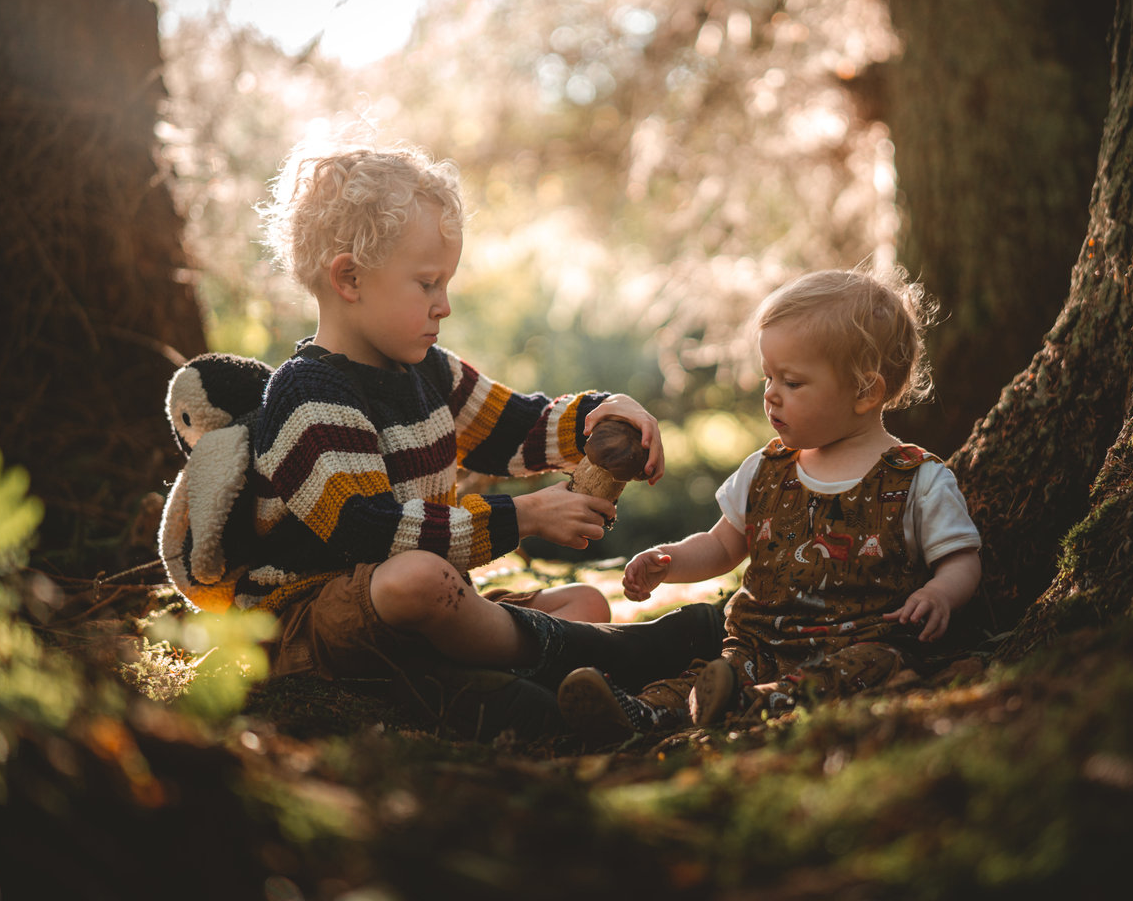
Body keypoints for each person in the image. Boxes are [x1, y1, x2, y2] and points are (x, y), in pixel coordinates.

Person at [217, 141, 721, 737]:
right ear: (349, 278)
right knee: (419, 577)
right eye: (428, 284)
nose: (445, 306)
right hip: (313, 622)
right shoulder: (310, 396)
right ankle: (616, 660)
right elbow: (371, 532)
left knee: (583, 603)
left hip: (422, 611)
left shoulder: (430, 372)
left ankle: (522, 698)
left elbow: (516, 427)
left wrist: (597, 412)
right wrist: (526, 516)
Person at [557, 268, 982, 740]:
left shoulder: (917, 478)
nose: (770, 394)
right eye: (768, 377)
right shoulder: (766, 469)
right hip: (760, 641)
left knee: (874, 665)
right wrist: (669, 561)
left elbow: (961, 559)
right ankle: (639, 713)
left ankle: (753, 704)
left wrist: (941, 593)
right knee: (710, 674)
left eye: (793, 383)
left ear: (867, 391)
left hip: (862, 641)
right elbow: (722, 546)